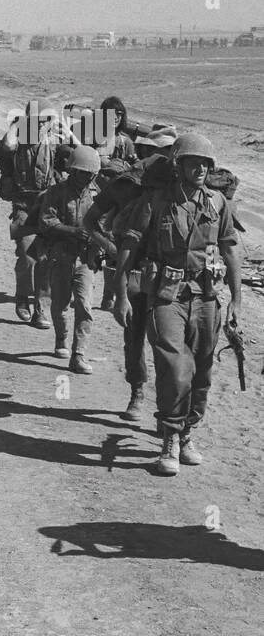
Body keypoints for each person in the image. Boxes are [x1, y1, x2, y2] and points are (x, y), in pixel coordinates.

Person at [113, 132, 240, 475]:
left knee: (202, 371)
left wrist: (236, 300)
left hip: (207, 298)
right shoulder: (156, 201)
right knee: (174, 368)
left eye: (205, 163)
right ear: (178, 165)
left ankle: (187, 433)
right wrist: (121, 293)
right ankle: (169, 436)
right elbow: (129, 244)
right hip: (167, 296)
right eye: (193, 162)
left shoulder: (217, 203)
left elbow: (229, 250)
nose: (199, 168)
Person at [82, 126, 177, 421]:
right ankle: (137, 392)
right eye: (157, 153)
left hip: (170, 274)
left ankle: (168, 407)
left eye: (167, 153)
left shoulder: (180, 186)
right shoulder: (126, 184)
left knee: (169, 342)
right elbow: (90, 220)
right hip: (133, 271)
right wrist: (112, 248)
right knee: (135, 336)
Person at [0, 104, 74, 326]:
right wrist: (16, 125)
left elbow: (80, 156)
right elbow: (5, 147)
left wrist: (65, 129)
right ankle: (22, 297)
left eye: (45, 120)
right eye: (36, 120)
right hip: (24, 206)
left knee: (45, 259)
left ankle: (41, 308)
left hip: (49, 208)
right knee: (26, 254)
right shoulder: (18, 141)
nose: (41, 125)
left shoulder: (55, 143)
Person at [38, 145, 105, 373]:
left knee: (85, 306)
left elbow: (107, 222)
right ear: (72, 171)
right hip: (61, 256)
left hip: (86, 260)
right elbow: (46, 221)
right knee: (60, 304)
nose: (85, 177)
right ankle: (61, 339)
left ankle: (78, 354)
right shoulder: (55, 193)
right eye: (81, 172)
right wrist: (72, 231)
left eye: (90, 174)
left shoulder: (98, 195)